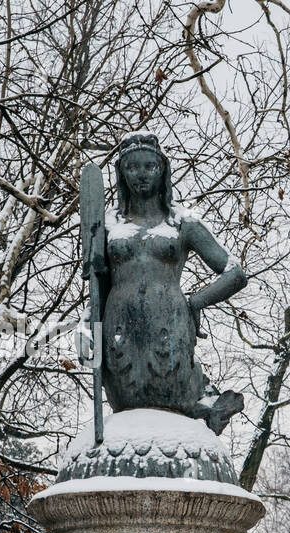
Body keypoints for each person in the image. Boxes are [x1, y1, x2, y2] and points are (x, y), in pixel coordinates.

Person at [96, 132, 248, 433]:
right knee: (128, 407)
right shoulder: (107, 224)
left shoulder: (182, 223)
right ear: (121, 173)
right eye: (132, 167)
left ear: (162, 169)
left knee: (171, 405)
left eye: (149, 167)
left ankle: (204, 408)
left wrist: (197, 301)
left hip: (170, 324)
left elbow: (235, 273)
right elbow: (96, 285)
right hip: (118, 329)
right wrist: (90, 324)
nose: (141, 175)